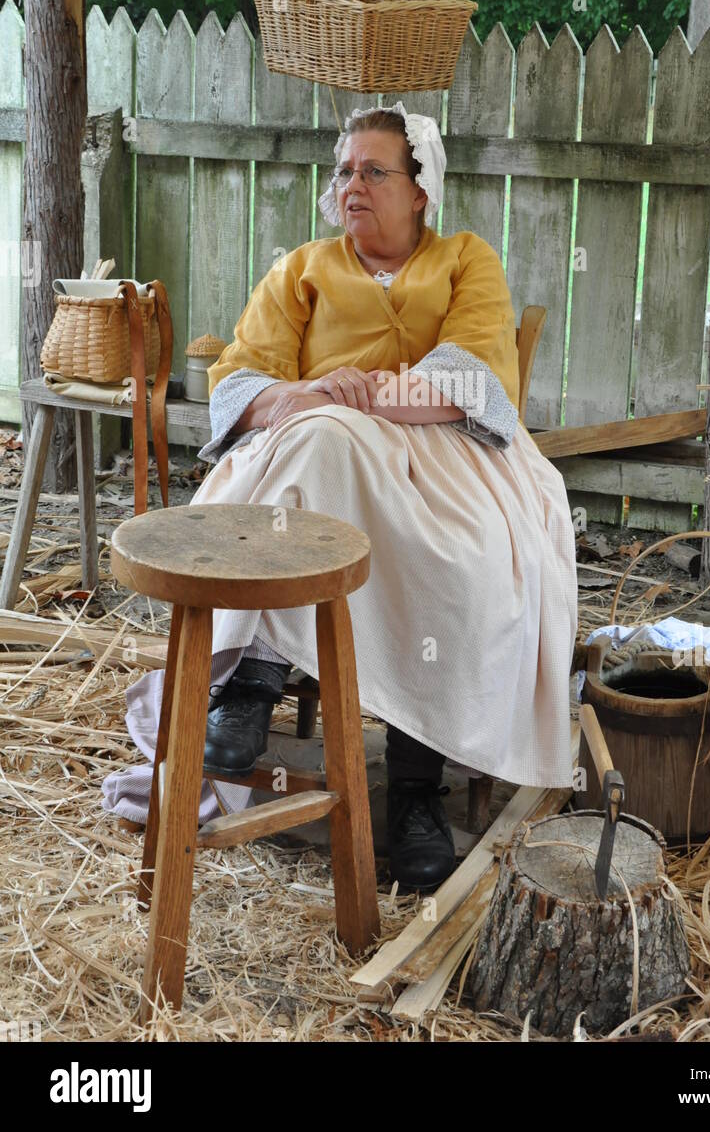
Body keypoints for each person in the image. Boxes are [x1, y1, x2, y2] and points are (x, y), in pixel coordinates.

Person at [102, 102, 579, 893]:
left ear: (420, 188)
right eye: (344, 171)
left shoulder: (465, 259)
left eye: (372, 171)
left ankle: (411, 783)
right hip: (315, 448)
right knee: (318, 446)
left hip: (446, 456)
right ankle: (254, 685)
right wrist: (313, 392)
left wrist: (359, 401)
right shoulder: (303, 268)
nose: (350, 185)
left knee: (458, 557)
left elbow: (476, 382)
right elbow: (240, 382)